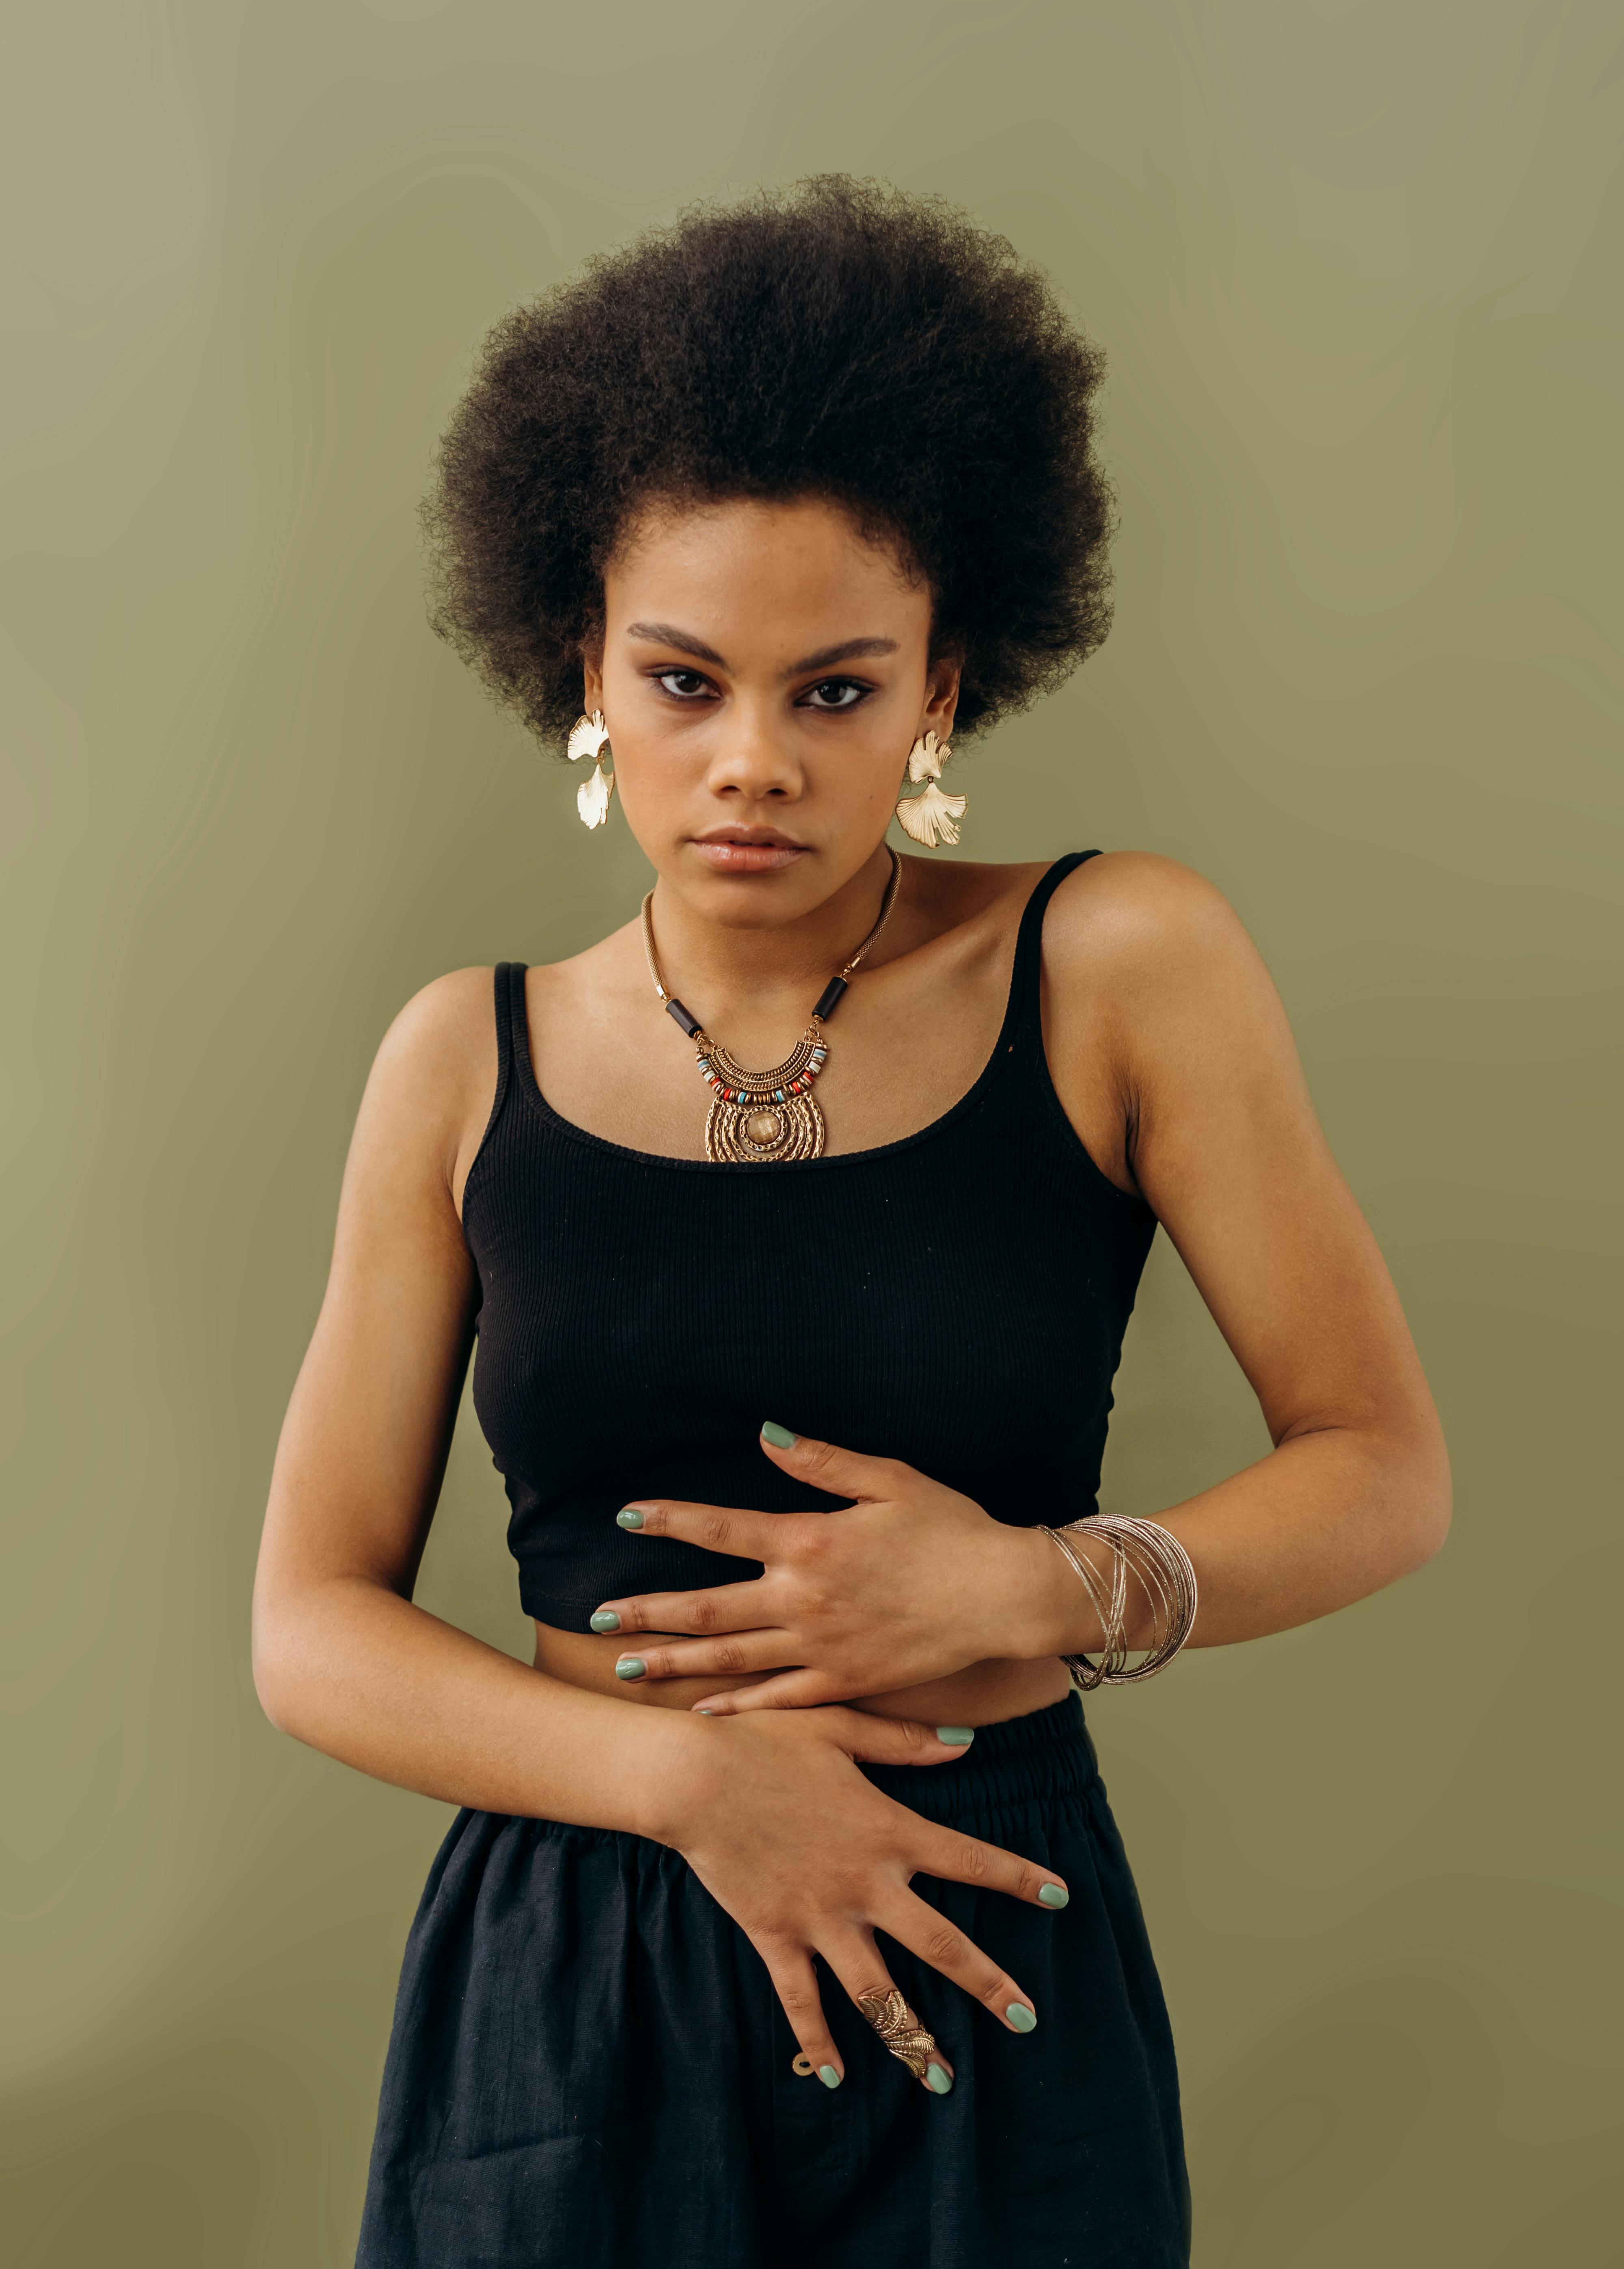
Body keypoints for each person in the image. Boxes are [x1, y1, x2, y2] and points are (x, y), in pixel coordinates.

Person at [252, 176, 1450, 2269]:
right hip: (576, 1955)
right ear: (583, 676)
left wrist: (1038, 1586)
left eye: (835, 690)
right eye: (685, 680)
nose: (752, 768)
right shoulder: (463, 1059)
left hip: (984, 1919)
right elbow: (310, 1629)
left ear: (944, 693)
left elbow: (1385, 1472)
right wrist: (694, 1790)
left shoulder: (1119, 960)